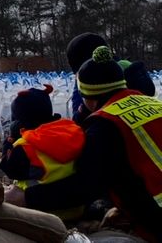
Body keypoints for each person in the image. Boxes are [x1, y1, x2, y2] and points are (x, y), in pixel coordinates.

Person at [25, 46, 162, 241]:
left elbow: (85, 186)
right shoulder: (154, 103)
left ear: (87, 96)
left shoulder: (105, 124)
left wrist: (27, 197)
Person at [0, 84, 87, 221]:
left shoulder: (25, 146)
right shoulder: (73, 130)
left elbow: (9, 170)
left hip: (45, 212)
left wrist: (10, 140)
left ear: (19, 121)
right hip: (78, 206)